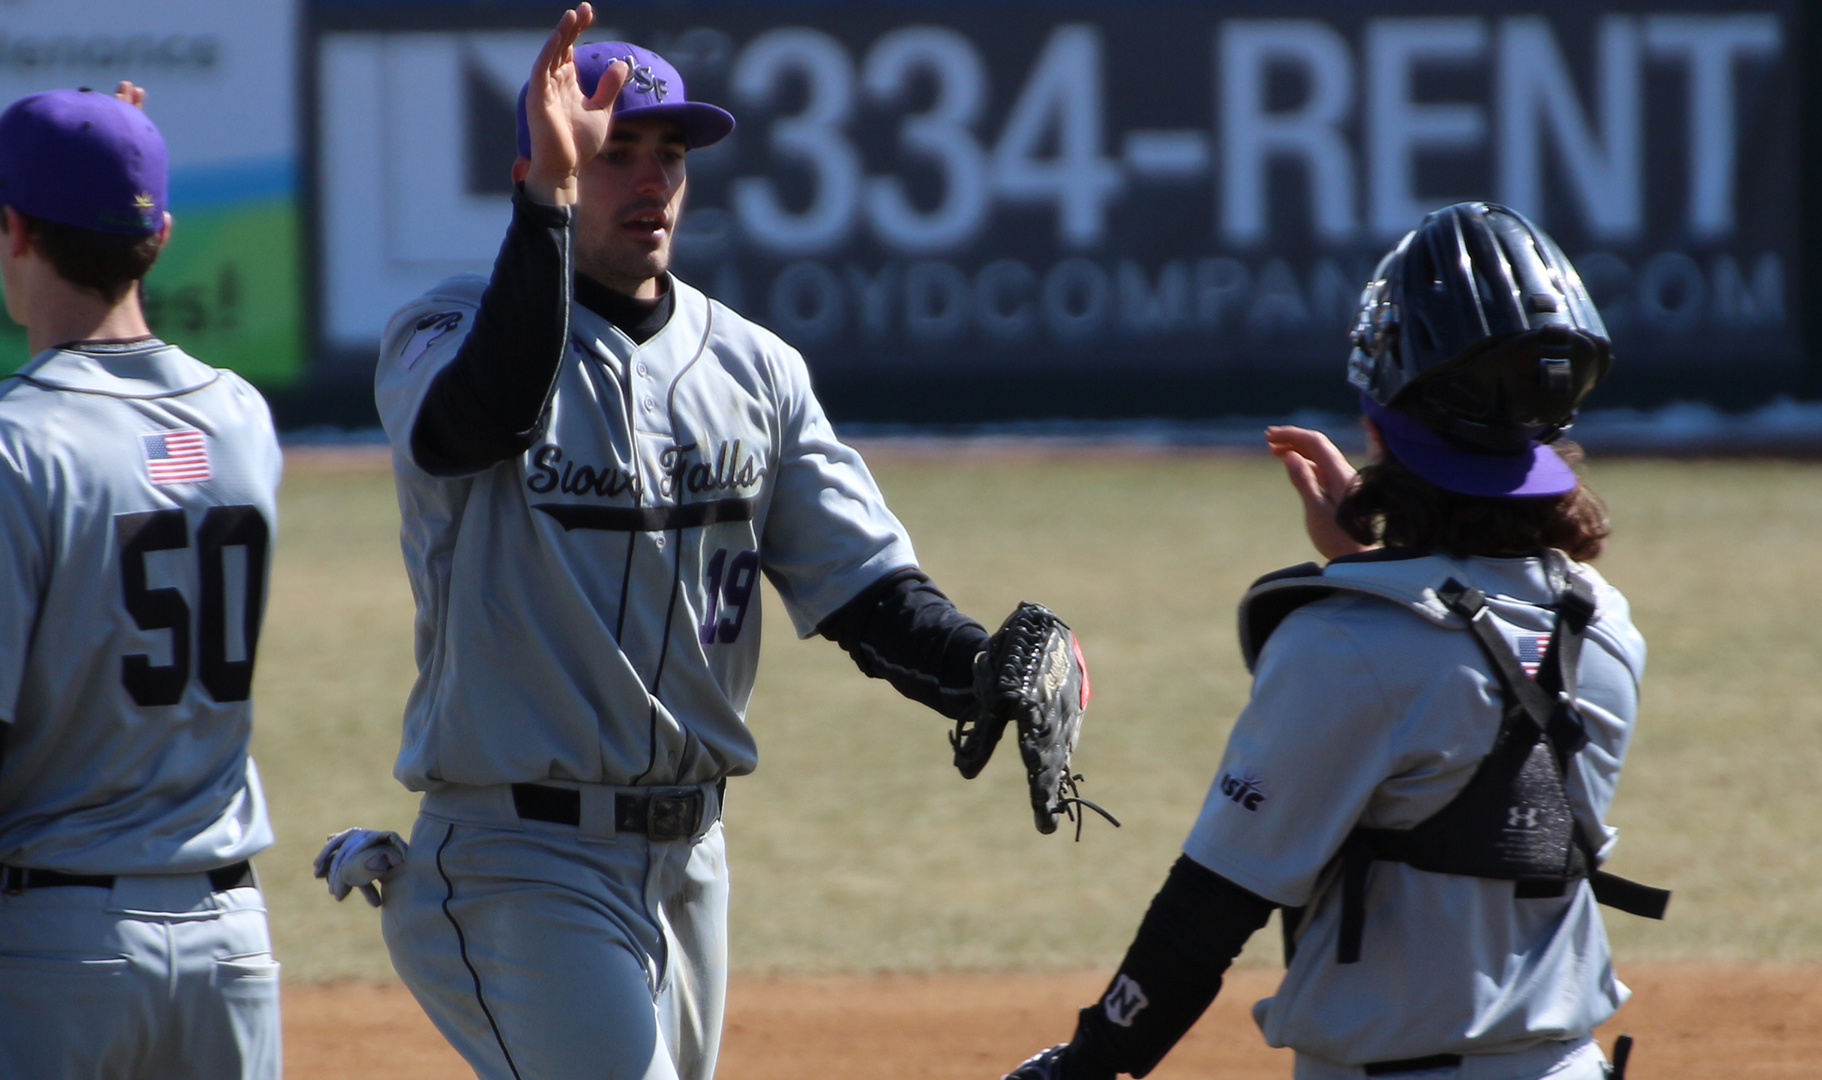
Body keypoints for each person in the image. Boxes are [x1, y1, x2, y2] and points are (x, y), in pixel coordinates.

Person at [316, 7, 1088, 1079]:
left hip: (691, 864)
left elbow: (863, 589)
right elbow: (478, 420)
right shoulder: (442, 332)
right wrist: (543, 196)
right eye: (614, 149)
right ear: (546, 164)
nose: (648, 179)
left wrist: (975, 665)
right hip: (517, 861)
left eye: (668, 154)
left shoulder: (755, 369)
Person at [1002, 202, 1668, 1080]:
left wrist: (1087, 1061)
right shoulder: (1604, 624)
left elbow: (1214, 902)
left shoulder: (1347, 648)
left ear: (1380, 422)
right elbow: (1473, 686)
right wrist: (1385, 552)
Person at [0, 84, 283, 1080]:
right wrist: (112, 159)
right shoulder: (242, 420)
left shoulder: (16, 445)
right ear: (161, 234)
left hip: (56, 954)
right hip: (233, 948)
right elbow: (150, 464)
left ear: (14, 230)